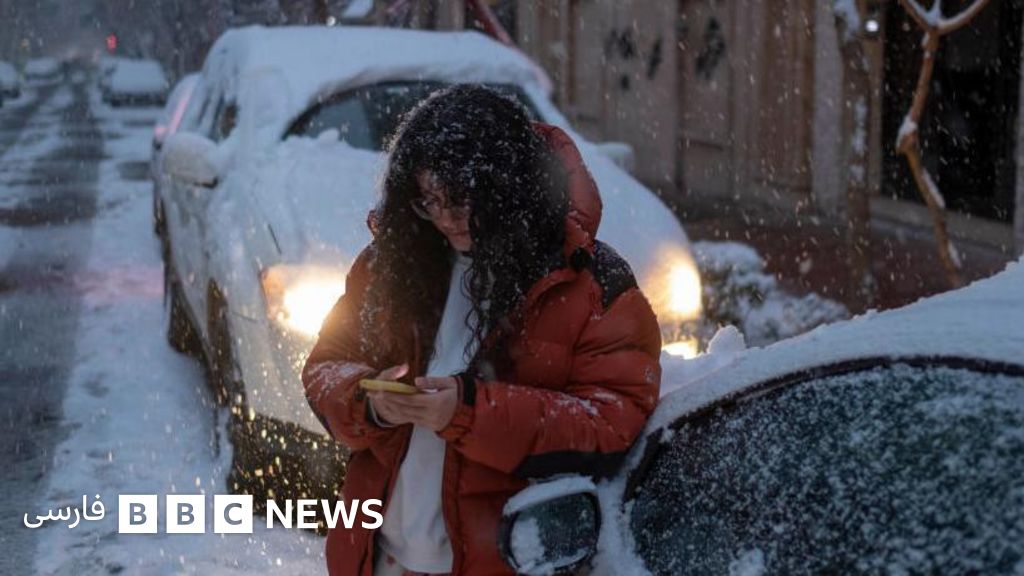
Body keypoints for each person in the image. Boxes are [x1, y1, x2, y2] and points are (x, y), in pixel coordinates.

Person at [302, 84, 662, 576]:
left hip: (505, 561)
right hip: (377, 557)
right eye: (427, 200)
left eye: (462, 200)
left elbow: (612, 419)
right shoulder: (391, 264)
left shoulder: (589, 282)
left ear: (509, 188)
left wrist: (471, 412)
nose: (445, 218)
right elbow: (326, 365)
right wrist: (370, 402)